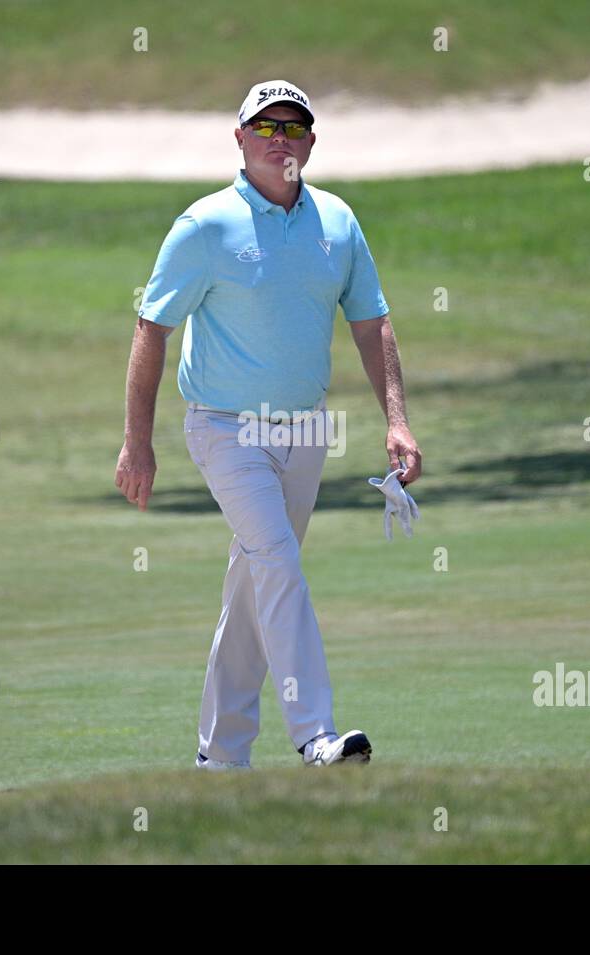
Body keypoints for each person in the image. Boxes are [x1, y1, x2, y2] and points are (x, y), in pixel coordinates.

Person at [115, 80, 423, 769]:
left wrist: (396, 421)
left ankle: (220, 756)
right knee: (278, 561)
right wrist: (139, 440)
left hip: (306, 430)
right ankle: (315, 732)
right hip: (223, 427)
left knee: (255, 585)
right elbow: (151, 328)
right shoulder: (205, 225)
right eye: (266, 127)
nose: (279, 139)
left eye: (293, 127)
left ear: (311, 142)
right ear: (240, 139)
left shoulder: (338, 222)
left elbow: (370, 321)